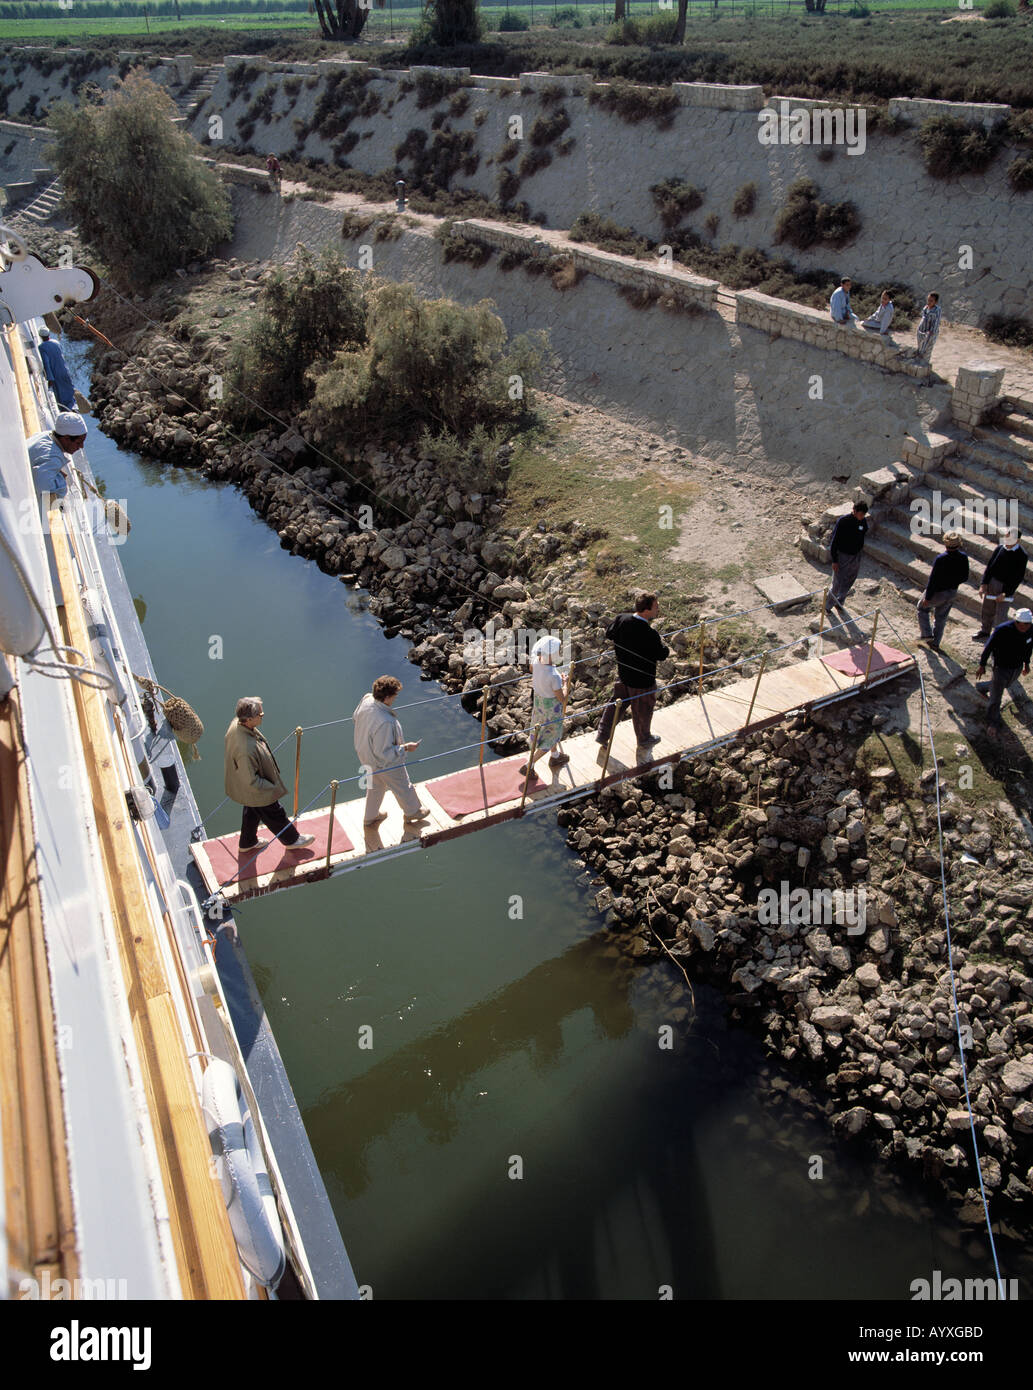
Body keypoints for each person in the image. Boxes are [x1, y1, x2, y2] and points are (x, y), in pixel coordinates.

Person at [224, 697, 315, 853]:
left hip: (245, 785)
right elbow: (251, 781)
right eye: (261, 714)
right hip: (256, 787)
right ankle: (291, 840)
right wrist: (270, 788)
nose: (263, 715)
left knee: (252, 811)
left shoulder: (237, 726)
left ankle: (247, 842)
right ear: (249, 719)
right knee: (274, 812)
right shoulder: (245, 749)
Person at [595, 593, 670, 752]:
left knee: (616, 705)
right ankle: (644, 739)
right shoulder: (649, 634)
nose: (658, 609)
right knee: (643, 710)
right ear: (647, 609)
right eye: (656, 606)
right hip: (643, 681)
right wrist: (666, 647)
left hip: (624, 675)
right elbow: (661, 654)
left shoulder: (621, 619)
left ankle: (602, 733)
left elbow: (609, 633)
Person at [353, 675, 429, 827]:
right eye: (395, 695)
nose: (396, 698)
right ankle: (412, 812)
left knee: (375, 786)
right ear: (387, 697)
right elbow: (384, 753)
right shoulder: (385, 722)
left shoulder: (367, 700)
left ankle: (371, 816)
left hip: (365, 755)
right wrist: (406, 747)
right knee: (402, 784)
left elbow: (355, 718)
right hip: (383, 763)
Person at [975, 609, 1033, 738]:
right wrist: (982, 664)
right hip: (1001, 666)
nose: (1023, 627)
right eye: (1020, 624)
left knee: (1005, 685)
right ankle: (992, 722)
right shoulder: (1003, 629)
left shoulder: (1031, 630)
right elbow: (988, 647)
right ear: (1015, 621)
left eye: (1027, 624)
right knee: (996, 697)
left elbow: (1029, 647)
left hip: (1016, 667)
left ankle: (981, 687)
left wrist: (1027, 664)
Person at [519, 635, 570, 778]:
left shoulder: (535, 662)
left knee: (546, 732)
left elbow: (532, 670)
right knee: (551, 735)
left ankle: (555, 756)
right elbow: (563, 699)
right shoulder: (554, 676)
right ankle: (529, 765)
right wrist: (565, 683)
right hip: (551, 710)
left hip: (539, 704)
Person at [972, 529, 1028, 641]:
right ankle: (985, 631)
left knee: (1001, 614)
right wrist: (984, 583)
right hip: (993, 582)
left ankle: (999, 638)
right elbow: (990, 567)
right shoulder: (1000, 548)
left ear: (1017, 540)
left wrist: (1005, 593)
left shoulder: (1021, 555)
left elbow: (1017, 578)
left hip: (1006, 587)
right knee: (987, 609)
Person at [918, 531, 969, 650]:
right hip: (951, 592)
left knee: (922, 609)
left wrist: (928, 597)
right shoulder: (963, 557)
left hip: (938, 592)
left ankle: (926, 635)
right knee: (941, 618)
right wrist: (953, 582)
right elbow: (965, 577)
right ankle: (935, 643)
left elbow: (933, 580)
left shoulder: (941, 559)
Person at [27, 410, 88, 501]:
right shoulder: (52, 457)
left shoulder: (44, 435)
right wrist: (61, 481)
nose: (81, 446)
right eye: (78, 442)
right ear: (66, 438)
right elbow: (45, 494)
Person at [826, 501, 869, 614]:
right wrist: (835, 560)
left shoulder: (863, 521)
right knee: (837, 582)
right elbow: (834, 541)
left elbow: (864, 531)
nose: (861, 517)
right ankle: (827, 605)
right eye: (860, 514)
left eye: (863, 515)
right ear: (854, 511)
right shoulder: (844, 521)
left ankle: (839, 602)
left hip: (856, 556)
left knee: (850, 579)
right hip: (843, 556)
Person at [37, 327, 77, 409]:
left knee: (61, 394)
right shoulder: (56, 342)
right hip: (65, 370)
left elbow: (46, 363)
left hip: (56, 373)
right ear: (49, 334)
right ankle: (73, 407)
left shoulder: (42, 347)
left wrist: (50, 378)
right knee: (69, 390)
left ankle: (66, 410)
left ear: (40, 336)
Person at [915, 292, 941, 360]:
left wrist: (931, 331)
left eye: (931, 301)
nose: (929, 302)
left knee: (927, 349)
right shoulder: (925, 308)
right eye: (928, 300)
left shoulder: (937, 310)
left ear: (935, 302)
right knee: (920, 346)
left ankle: (925, 364)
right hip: (922, 331)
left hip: (931, 332)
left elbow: (936, 322)